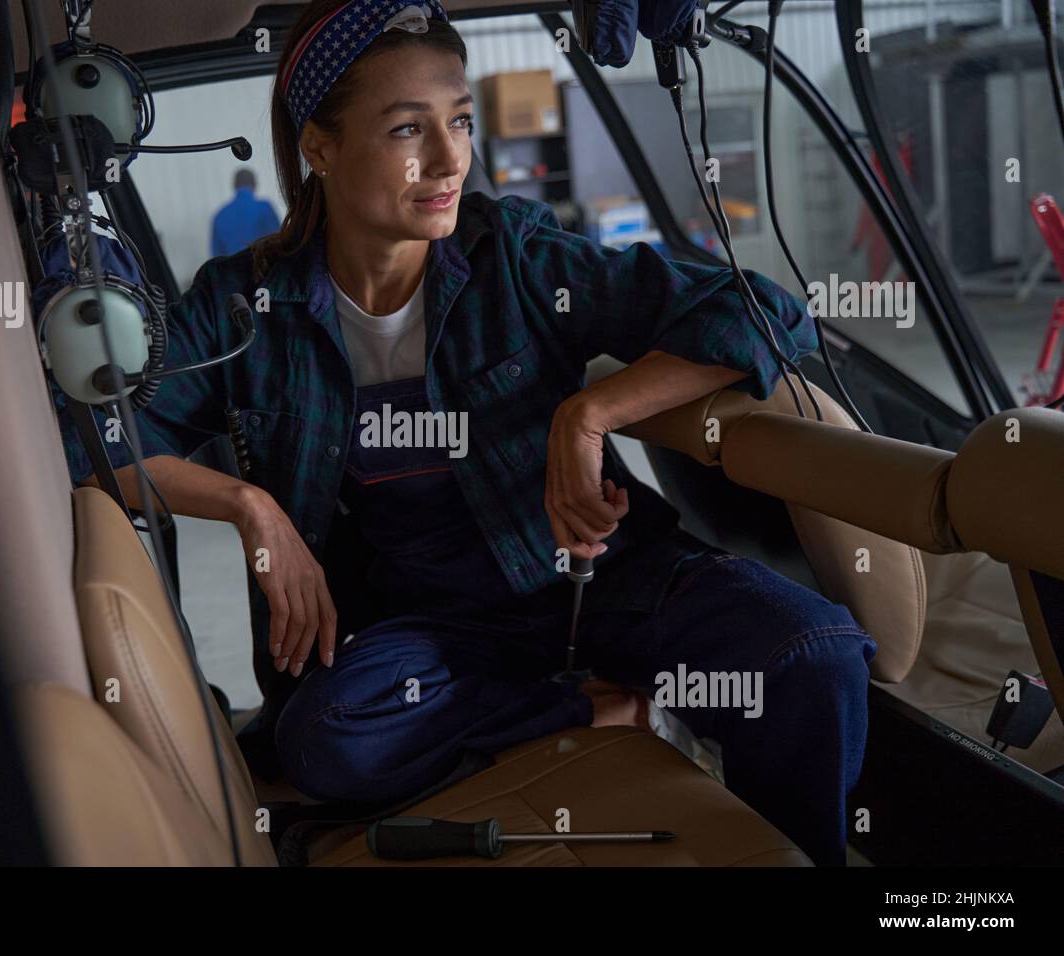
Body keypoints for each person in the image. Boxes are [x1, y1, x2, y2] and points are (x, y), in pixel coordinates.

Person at [58, 0, 876, 867]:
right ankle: (595, 707)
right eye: (409, 128)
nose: (451, 160)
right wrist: (252, 508)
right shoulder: (244, 305)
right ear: (321, 147)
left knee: (811, 655)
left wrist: (590, 412)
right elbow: (99, 439)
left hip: (599, 584)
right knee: (329, 736)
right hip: (436, 632)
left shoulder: (515, 256)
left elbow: (762, 311)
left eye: (459, 121)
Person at [210, 169, 281, 258]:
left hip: (234, 270)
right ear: (255, 184)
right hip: (266, 268)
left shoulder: (219, 216)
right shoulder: (265, 208)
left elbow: (216, 257)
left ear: (234, 186)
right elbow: (279, 241)